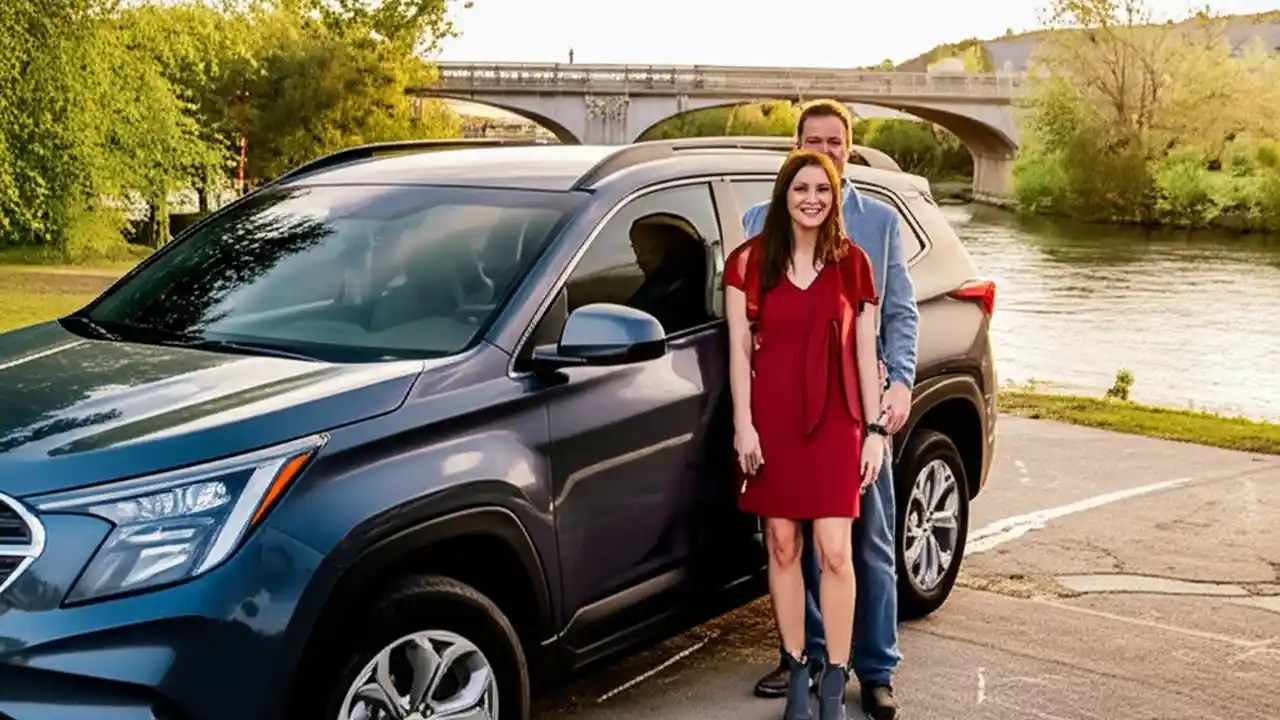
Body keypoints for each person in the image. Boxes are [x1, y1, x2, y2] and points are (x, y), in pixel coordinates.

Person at [743, 100, 920, 720]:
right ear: (795, 149)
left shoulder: (879, 222)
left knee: (862, 544)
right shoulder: (757, 221)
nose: (826, 150)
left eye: (836, 143)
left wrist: (898, 385)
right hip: (789, 410)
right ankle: (808, 661)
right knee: (792, 543)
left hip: (856, 408)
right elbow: (753, 319)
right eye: (812, 141)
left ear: (850, 148)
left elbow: (899, 311)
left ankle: (875, 670)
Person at [724, 148, 887, 720]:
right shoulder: (748, 263)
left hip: (837, 423)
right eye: (801, 189)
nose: (812, 199)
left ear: (835, 197)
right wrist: (743, 425)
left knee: (835, 550)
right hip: (771, 423)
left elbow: (866, 354)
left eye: (823, 189)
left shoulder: (854, 265)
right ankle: (798, 669)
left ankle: (834, 680)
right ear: (784, 196)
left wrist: (874, 431)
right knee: (782, 544)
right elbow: (739, 350)